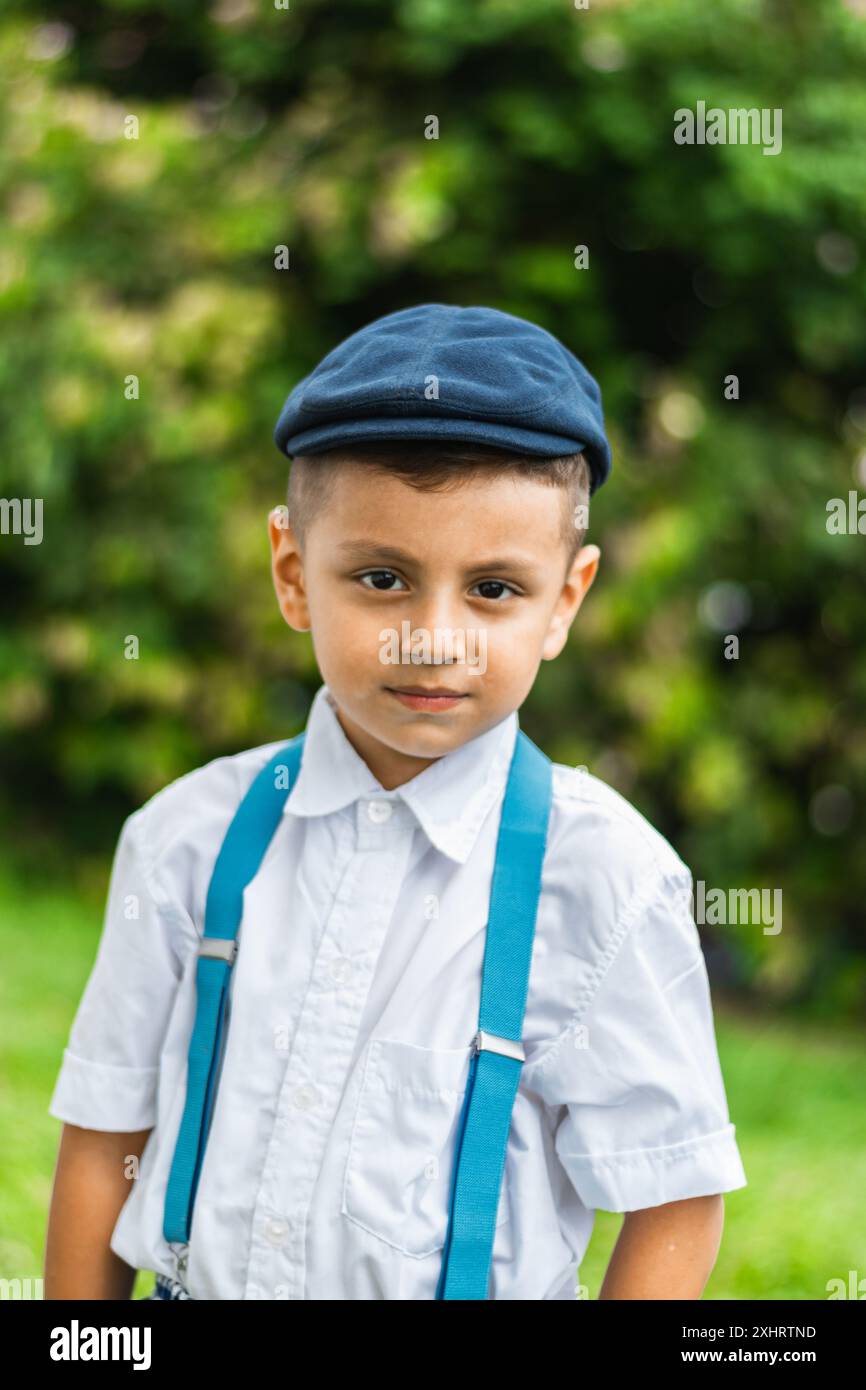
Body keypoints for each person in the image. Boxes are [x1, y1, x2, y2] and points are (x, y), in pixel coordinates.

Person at [44, 303, 746, 1301]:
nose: (431, 638)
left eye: (494, 589)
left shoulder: (606, 882)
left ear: (564, 601)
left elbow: (673, 1199)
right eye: (382, 578)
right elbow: (103, 1139)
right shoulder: (183, 842)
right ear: (293, 576)